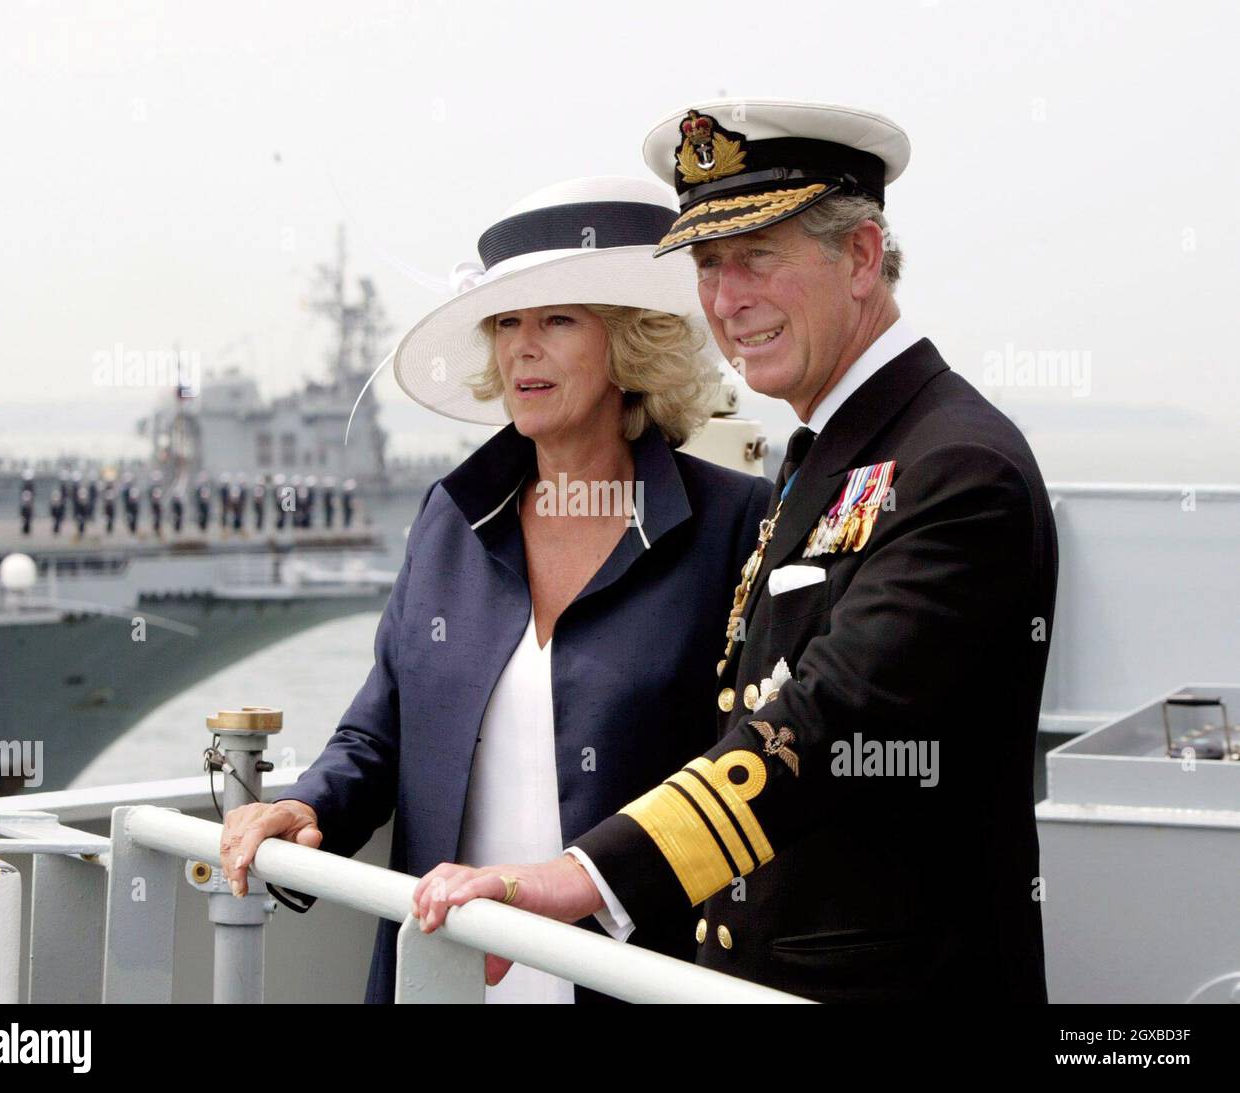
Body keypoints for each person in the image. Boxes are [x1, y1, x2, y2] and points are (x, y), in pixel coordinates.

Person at [413, 100, 1059, 1004]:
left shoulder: (958, 469)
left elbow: (822, 725)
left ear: (863, 257)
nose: (726, 300)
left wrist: (572, 879)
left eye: (758, 257)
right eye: (711, 266)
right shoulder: (832, 455)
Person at [220, 176, 772, 1004]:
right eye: (506, 323)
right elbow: (378, 734)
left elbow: (754, 772)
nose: (522, 348)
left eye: (556, 320)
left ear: (631, 344)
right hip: (445, 972)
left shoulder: (734, 524)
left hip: (638, 980)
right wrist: (309, 808)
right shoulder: (452, 519)